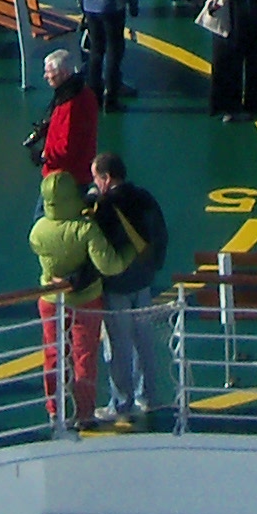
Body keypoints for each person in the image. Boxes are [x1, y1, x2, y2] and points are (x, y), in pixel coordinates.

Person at [28, 171, 135, 431]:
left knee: (54, 354)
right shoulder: (85, 228)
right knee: (84, 357)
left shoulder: (39, 230)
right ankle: (85, 413)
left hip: (51, 300)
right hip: (85, 300)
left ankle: (55, 411)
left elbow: (37, 247)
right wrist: (131, 250)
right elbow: (109, 265)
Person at [89, 151, 168, 427]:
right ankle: (149, 397)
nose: (95, 183)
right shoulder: (144, 197)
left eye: (96, 178)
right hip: (144, 281)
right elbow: (160, 232)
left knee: (118, 346)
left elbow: (97, 246)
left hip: (117, 286)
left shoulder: (105, 207)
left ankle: (121, 404)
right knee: (143, 341)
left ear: (106, 177)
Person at [30, 48, 97, 181]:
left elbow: (67, 147)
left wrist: (45, 155)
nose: (45, 76)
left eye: (49, 72)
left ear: (64, 73)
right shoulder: (78, 92)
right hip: (74, 171)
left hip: (65, 176)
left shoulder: (71, 104)